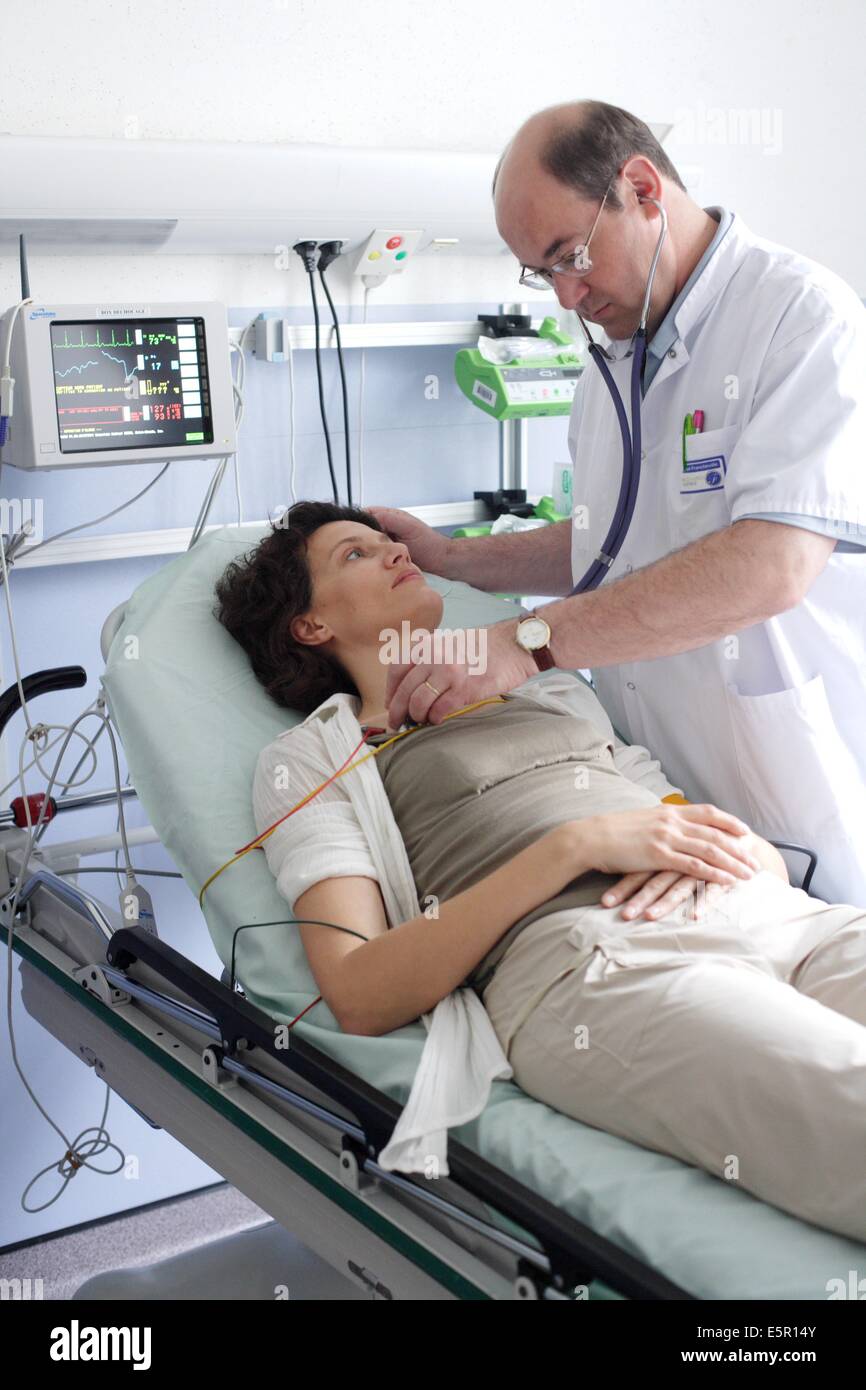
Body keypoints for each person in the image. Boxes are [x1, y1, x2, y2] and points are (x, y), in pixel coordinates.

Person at [214, 502, 866, 1243]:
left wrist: (753, 855)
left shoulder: (549, 690)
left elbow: (675, 821)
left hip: (771, 911)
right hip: (597, 961)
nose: (396, 552)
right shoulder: (315, 756)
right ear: (311, 626)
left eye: (388, 541)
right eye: (356, 556)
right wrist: (571, 847)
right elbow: (362, 991)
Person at [367, 98, 866, 908]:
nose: (566, 297)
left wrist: (527, 643)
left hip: (795, 781)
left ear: (640, 187)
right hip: (658, 798)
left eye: (569, 255)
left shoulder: (803, 321)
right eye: (542, 273)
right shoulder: (609, 377)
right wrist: (453, 558)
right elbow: (608, 545)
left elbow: (769, 567)